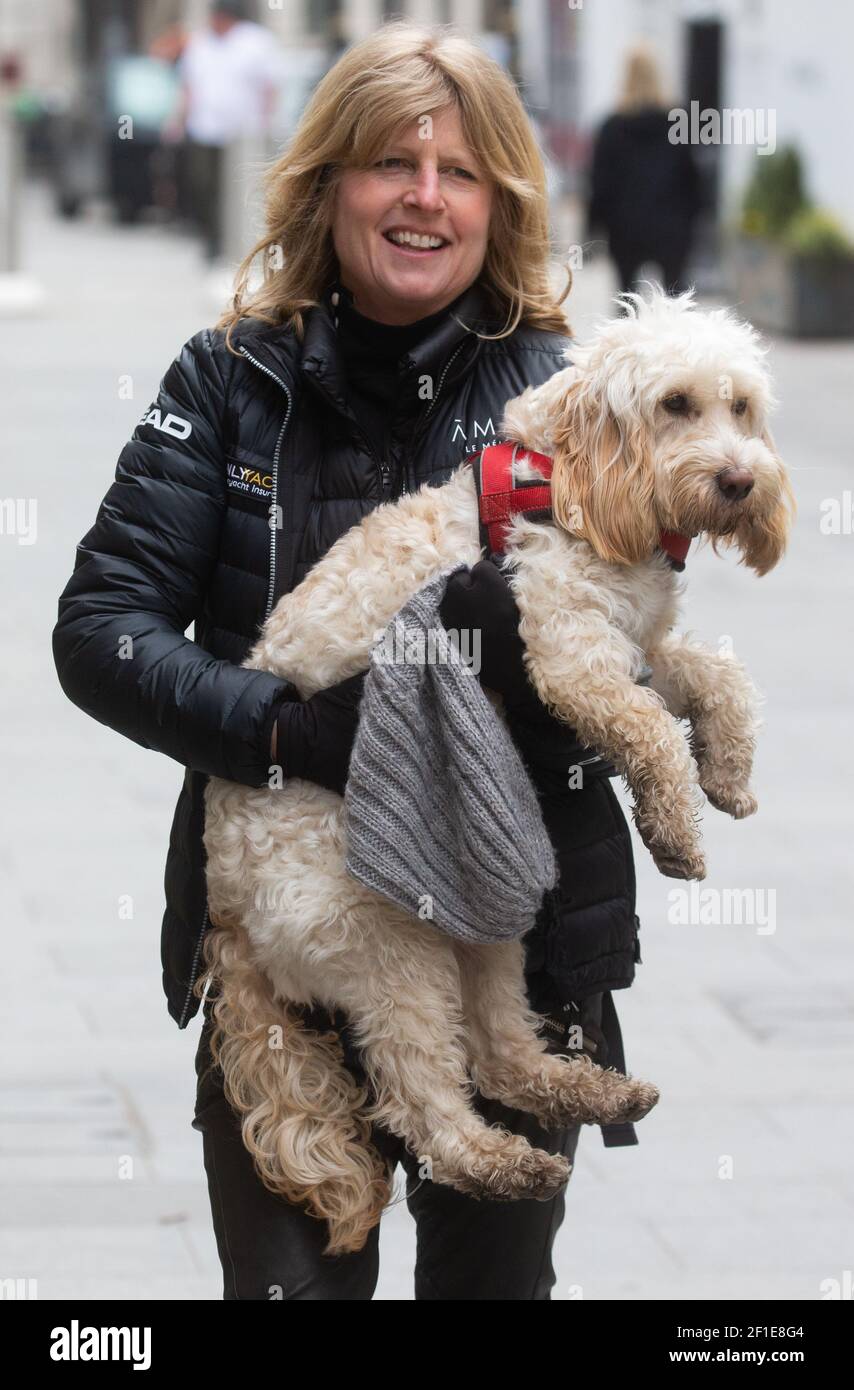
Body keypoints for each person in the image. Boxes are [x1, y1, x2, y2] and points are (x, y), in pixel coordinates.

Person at [52, 20, 642, 1301]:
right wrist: (286, 728)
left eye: (461, 171)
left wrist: (521, 695)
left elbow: (626, 675)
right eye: (389, 163)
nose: (424, 197)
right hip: (289, 947)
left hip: (510, 954)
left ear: (500, 201)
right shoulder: (225, 383)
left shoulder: (573, 395)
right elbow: (101, 630)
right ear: (328, 185)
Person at [166, 0, 282, 259]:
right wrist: (178, 121)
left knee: (239, 188)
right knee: (203, 184)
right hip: (205, 128)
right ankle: (212, 239)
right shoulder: (199, 43)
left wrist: (267, 123)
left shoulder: (256, 42)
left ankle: (239, 241)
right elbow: (188, 87)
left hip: (243, 134)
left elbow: (269, 87)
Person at [586, 41, 702, 294]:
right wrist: (694, 221)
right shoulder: (677, 122)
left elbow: (599, 183)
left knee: (626, 302)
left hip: (625, 228)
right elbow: (692, 179)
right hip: (672, 228)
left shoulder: (611, 127)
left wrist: (592, 228)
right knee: (675, 303)